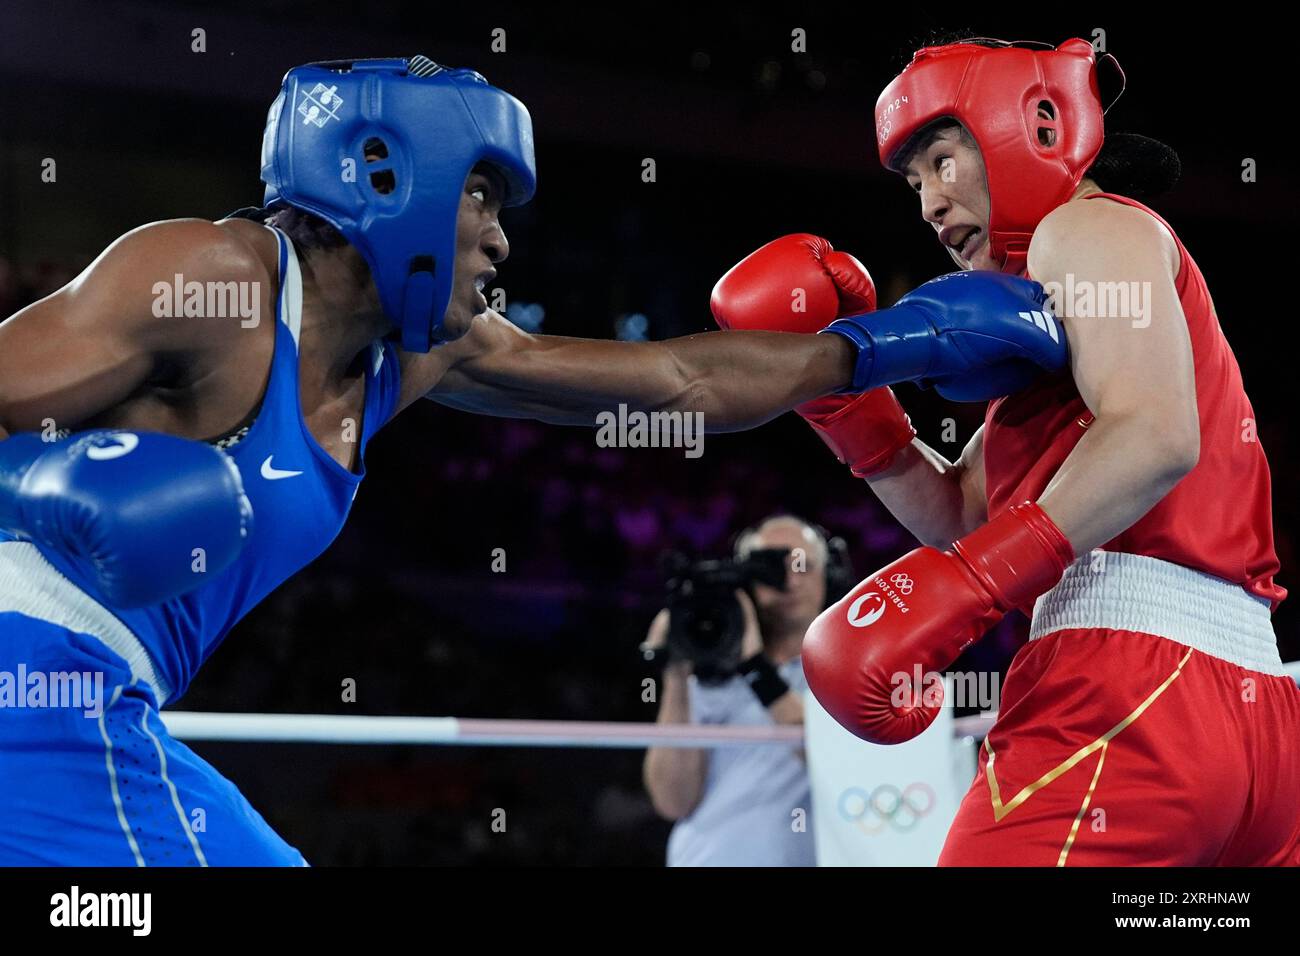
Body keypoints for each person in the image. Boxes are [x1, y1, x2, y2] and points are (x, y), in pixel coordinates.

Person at [0, 55, 1065, 865]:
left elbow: (677, 385)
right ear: (384, 173)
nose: (501, 240)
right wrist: (43, 483)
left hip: (104, 697)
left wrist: (878, 347)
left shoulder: (418, 357)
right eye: (480, 197)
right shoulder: (208, 273)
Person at [721, 37, 1298, 866]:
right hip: (1257, 715)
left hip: (1129, 687)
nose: (927, 203)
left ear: (1033, 125)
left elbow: (1156, 436)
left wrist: (975, 582)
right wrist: (850, 413)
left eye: (943, 161)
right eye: (914, 182)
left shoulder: (1086, 225)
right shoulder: (1046, 326)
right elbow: (961, 512)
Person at [643, 516, 833, 866]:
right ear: (749, 581)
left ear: (826, 575)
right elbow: (673, 801)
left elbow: (833, 763)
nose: (789, 580)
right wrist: (675, 675)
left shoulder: (845, 674)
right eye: (771, 568)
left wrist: (755, 668)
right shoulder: (708, 678)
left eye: (802, 566)